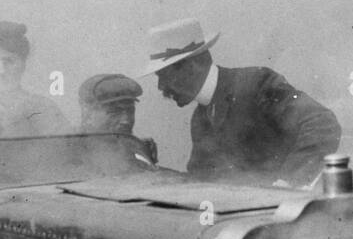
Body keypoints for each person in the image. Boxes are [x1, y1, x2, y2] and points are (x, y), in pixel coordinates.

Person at [142, 18, 341, 187]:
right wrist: (152, 171)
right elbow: (200, 183)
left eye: (164, 76)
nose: (161, 87)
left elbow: (322, 123)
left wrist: (289, 183)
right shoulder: (200, 118)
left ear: (193, 65)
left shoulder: (257, 83)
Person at [0, 21, 68, 137]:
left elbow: (64, 146)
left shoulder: (43, 106)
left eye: (9, 61)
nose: (2, 71)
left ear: (23, 64)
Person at [78, 72, 157, 164]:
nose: (126, 121)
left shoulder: (136, 150)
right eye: (114, 111)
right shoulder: (68, 151)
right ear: (87, 111)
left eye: (130, 110)